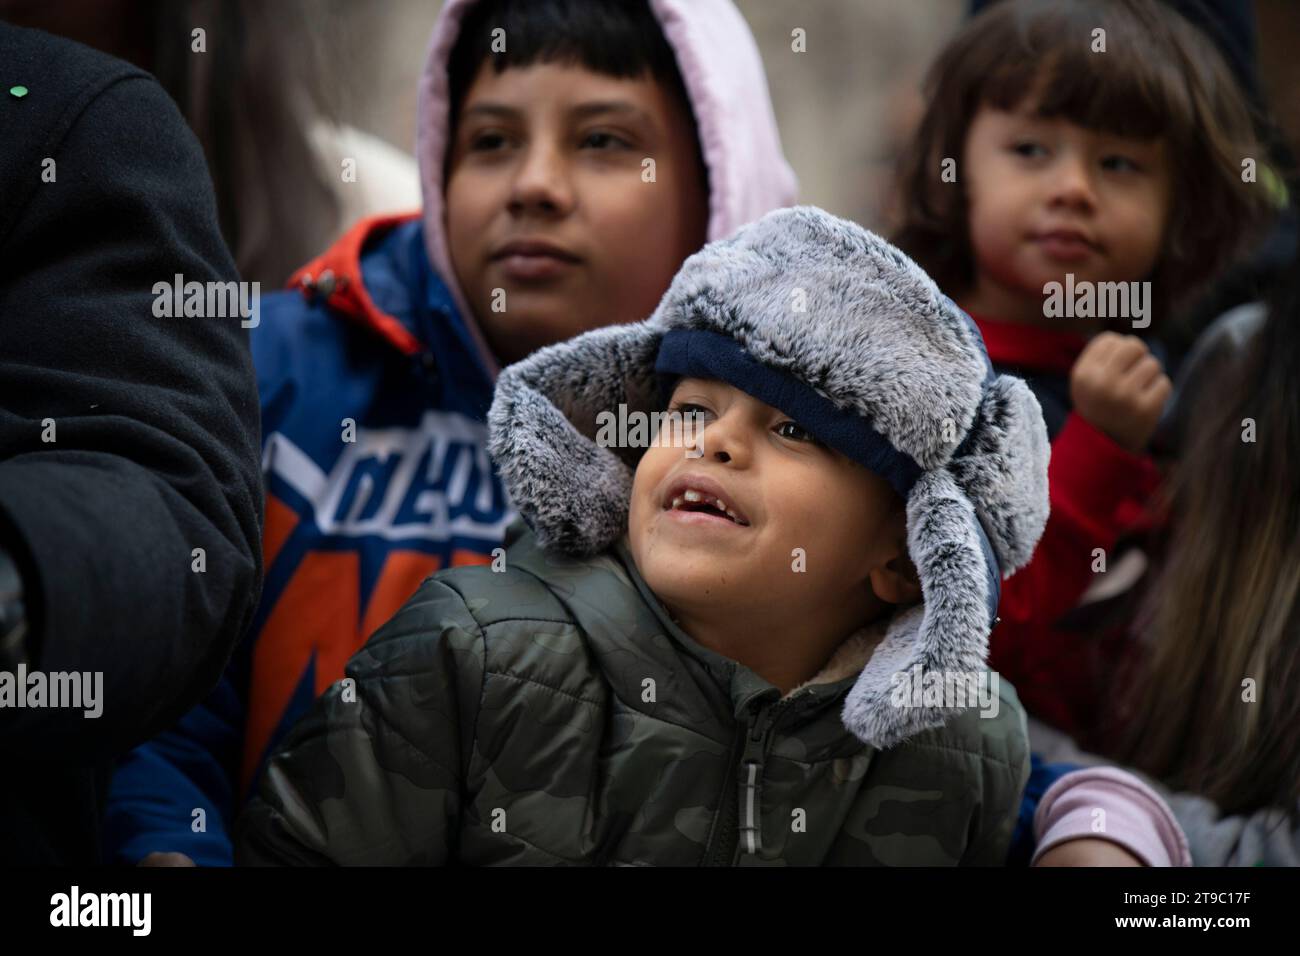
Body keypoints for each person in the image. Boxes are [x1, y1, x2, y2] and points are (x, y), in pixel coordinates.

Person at [235, 207, 1185, 866]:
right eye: (691, 407)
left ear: (906, 554)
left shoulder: (963, 747)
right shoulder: (474, 650)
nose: (717, 442)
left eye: (793, 431)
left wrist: (1107, 823)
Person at [104, 0, 797, 866]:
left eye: (604, 141)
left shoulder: (786, 456)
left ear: (722, 183)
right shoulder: (267, 371)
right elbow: (163, 719)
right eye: (491, 141)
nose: (534, 183)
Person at [892, 0, 1271, 738]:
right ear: (955, 166)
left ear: (1184, 207)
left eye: (1119, 163)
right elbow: (961, 631)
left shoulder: (1181, 379)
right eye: (1031, 150)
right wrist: (1096, 452)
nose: (1073, 188)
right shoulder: (919, 370)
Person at [0, 20, 263, 864]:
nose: (536, 186)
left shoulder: (69, 115)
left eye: (601, 139)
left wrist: (21, 576)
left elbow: (170, 490)